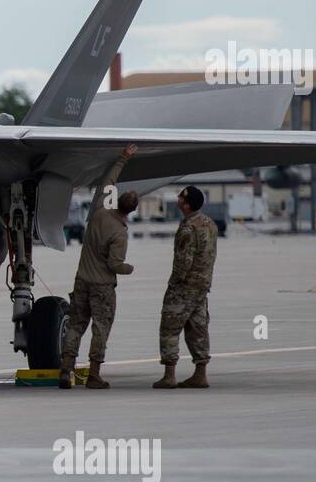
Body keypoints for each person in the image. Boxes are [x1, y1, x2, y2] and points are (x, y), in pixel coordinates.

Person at [59, 143, 139, 390]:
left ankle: (66, 369)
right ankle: (94, 374)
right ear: (132, 211)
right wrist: (128, 268)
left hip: (82, 280)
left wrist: (123, 158)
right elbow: (114, 264)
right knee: (100, 329)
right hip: (102, 286)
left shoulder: (99, 212)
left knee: (76, 324)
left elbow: (108, 182)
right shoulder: (119, 234)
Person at [153, 185, 218, 389]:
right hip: (202, 286)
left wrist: (174, 282)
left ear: (186, 204)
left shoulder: (189, 227)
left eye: (181, 197)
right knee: (198, 329)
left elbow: (184, 260)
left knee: (170, 328)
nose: (178, 199)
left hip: (185, 287)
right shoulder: (210, 223)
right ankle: (201, 373)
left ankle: (169, 374)